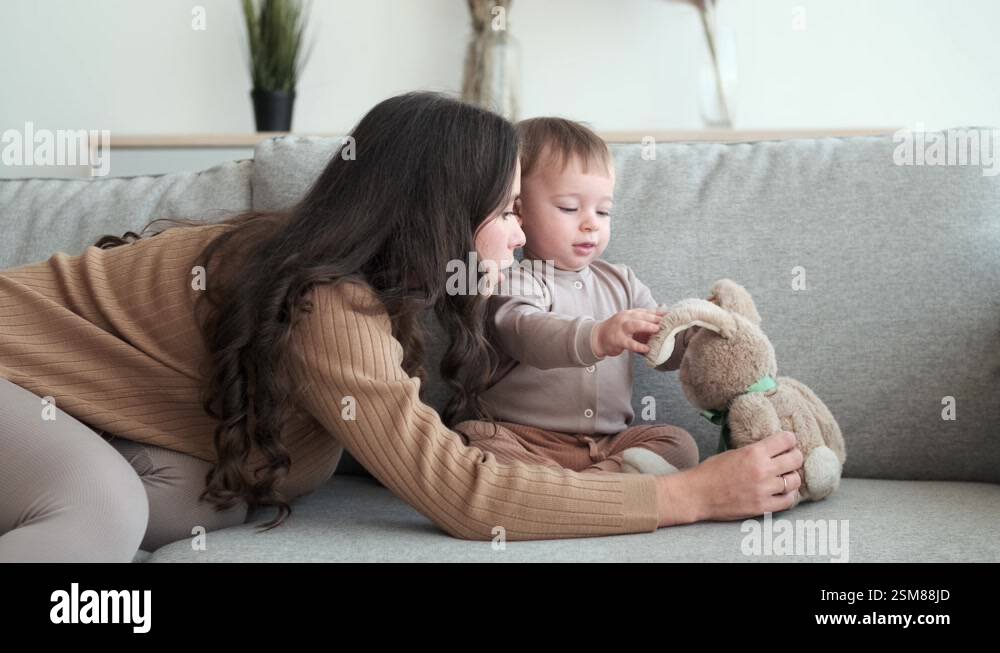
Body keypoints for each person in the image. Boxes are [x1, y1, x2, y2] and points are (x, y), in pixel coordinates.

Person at [0, 91, 801, 562]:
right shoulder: (327, 302)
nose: (520, 235)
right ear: (441, 218)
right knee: (106, 506)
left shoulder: (373, 296)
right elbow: (461, 491)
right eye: (506, 211)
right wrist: (688, 498)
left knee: (204, 495)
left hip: (58, 403)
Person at [453, 117, 711, 478]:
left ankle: (598, 479)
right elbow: (527, 333)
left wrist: (695, 337)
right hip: (524, 437)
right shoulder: (513, 280)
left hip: (606, 443)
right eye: (570, 208)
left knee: (678, 443)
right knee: (479, 442)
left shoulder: (622, 282)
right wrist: (598, 335)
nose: (591, 223)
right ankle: (588, 485)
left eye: (603, 211)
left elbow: (660, 341)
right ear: (519, 212)